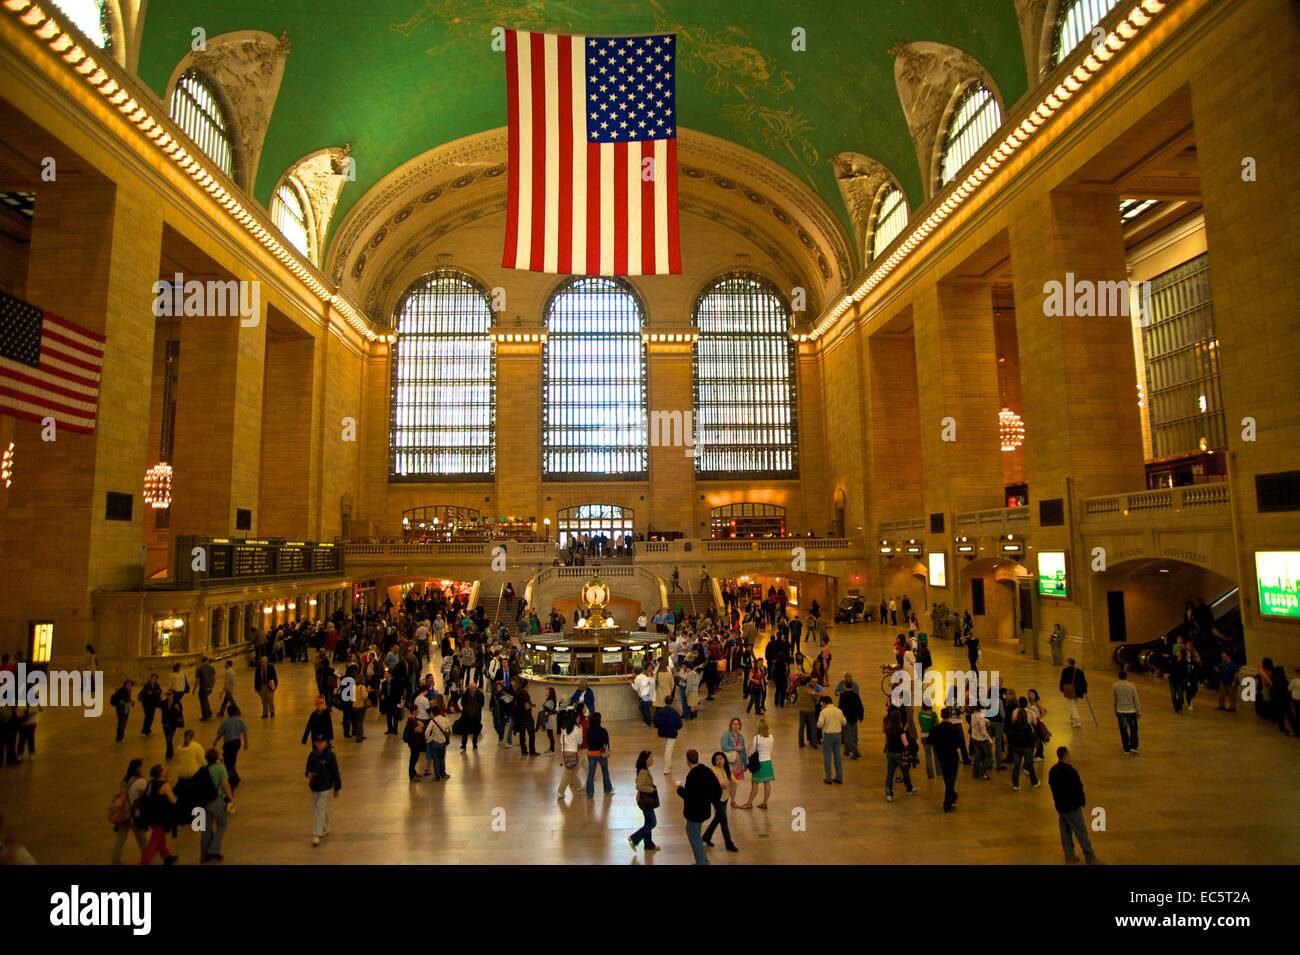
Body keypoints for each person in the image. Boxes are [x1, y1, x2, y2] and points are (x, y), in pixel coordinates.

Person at [1048, 746, 1100, 864]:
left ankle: (1069, 855)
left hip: (1061, 807)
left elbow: (1052, 786)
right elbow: (1078, 788)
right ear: (1065, 755)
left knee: (1065, 832)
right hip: (1072, 807)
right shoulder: (1071, 771)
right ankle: (1090, 857)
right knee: (1081, 832)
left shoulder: (1053, 770)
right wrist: (1081, 801)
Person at [677, 749, 721, 865]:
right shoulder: (707, 771)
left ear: (688, 761)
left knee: (694, 837)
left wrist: (679, 789)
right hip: (704, 810)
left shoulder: (692, 776)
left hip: (694, 813)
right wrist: (713, 801)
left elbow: (688, 795)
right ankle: (704, 860)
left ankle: (701, 862)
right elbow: (717, 788)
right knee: (695, 834)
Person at [199, 748, 235, 863]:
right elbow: (225, 785)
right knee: (222, 825)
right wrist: (231, 799)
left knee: (206, 828)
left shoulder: (204, 770)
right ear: (217, 757)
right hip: (216, 801)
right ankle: (213, 850)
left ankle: (204, 855)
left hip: (204, 802)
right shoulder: (220, 769)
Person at [305, 733, 342, 846]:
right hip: (314, 786)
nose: (320, 744)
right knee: (318, 808)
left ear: (326, 743)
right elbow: (306, 770)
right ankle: (325, 827)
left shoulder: (330, 755)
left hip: (325, 786)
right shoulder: (312, 755)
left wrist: (337, 787)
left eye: (322, 742)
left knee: (319, 809)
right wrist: (309, 774)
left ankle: (317, 833)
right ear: (315, 743)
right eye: (318, 742)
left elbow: (335, 771)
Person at [110, 758, 148, 864]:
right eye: (142, 766)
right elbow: (146, 795)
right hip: (133, 813)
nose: (143, 768)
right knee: (140, 835)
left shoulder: (125, 780)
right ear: (137, 768)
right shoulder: (140, 782)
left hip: (123, 813)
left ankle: (115, 858)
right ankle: (147, 854)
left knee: (121, 838)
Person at [139, 764, 179, 865]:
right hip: (160, 818)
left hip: (151, 817)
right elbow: (173, 801)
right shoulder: (165, 785)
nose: (167, 770)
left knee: (160, 838)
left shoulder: (150, 783)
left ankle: (167, 857)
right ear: (161, 773)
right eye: (164, 769)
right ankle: (144, 862)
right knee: (153, 844)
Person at [702, 751, 739, 852]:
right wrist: (730, 781)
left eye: (721, 759)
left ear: (724, 760)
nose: (719, 761)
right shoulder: (713, 771)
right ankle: (728, 843)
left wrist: (732, 780)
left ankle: (706, 836)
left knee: (718, 818)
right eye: (717, 759)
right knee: (724, 821)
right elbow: (722, 785)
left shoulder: (727, 769)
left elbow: (735, 783)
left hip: (725, 798)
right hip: (717, 799)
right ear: (714, 761)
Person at [929, 707, 964, 812]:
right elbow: (959, 744)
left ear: (941, 716)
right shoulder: (954, 730)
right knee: (950, 781)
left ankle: (951, 796)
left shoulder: (936, 729)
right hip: (952, 758)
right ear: (949, 716)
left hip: (942, 758)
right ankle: (947, 803)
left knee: (947, 780)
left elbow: (931, 741)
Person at [737, 717, 774, 810]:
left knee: (754, 784)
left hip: (759, 763)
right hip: (768, 762)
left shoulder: (757, 738)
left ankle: (749, 803)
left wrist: (749, 749)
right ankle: (765, 802)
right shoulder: (771, 737)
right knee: (767, 783)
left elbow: (753, 752)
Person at [883, 708, 917, 801]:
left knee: (890, 773)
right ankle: (909, 788)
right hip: (899, 754)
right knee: (905, 772)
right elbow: (905, 743)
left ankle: (889, 793)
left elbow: (887, 742)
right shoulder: (900, 730)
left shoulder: (888, 729)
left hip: (890, 753)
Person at [629, 750, 659, 853]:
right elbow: (639, 786)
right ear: (645, 760)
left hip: (646, 800)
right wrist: (651, 789)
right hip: (645, 801)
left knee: (648, 822)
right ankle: (635, 838)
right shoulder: (643, 772)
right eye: (650, 758)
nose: (652, 760)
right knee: (652, 823)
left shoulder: (645, 769)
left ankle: (648, 844)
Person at [1008, 697, 1041, 790]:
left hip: (1015, 747)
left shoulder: (1014, 718)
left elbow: (1011, 733)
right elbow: (1034, 728)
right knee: (1030, 764)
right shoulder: (1029, 721)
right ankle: (1034, 782)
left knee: (1016, 766)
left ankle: (1015, 785)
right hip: (1026, 747)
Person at [213, 705, 248, 789]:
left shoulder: (225, 722)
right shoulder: (239, 721)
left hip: (228, 743)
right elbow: (244, 732)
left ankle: (234, 777)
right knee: (232, 759)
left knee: (228, 760)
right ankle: (233, 775)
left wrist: (215, 742)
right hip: (237, 743)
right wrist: (246, 743)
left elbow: (220, 734)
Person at [817, 693, 847, 785]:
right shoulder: (838, 710)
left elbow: (819, 725)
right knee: (837, 757)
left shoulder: (823, 712)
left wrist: (819, 725)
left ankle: (829, 778)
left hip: (828, 736)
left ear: (824, 703)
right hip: (838, 735)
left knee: (827, 757)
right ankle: (839, 777)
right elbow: (844, 722)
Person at [584, 711, 614, 797]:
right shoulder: (603, 731)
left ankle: (590, 793)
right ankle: (608, 790)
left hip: (591, 754)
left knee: (591, 774)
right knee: (605, 771)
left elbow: (587, 741)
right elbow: (607, 743)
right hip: (601, 754)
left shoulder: (588, 731)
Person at [556, 714, 584, 801]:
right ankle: (560, 791)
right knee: (568, 772)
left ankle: (579, 786)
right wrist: (581, 732)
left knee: (572, 770)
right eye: (578, 717)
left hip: (565, 753)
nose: (579, 719)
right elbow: (580, 742)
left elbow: (561, 741)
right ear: (575, 719)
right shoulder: (577, 729)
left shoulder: (564, 729)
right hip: (573, 752)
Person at [1112, 670, 1141, 755]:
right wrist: (1138, 710)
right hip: (1131, 711)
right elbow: (1136, 698)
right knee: (1134, 730)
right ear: (1126, 676)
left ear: (1118, 676)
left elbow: (1114, 700)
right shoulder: (1131, 685)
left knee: (1123, 730)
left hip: (1121, 711)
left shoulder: (1115, 686)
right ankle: (1134, 747)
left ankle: (1126, 748)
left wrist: (1115, 710)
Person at [653, 694, 683, 776]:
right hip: (672, 733)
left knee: (665, 749)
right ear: (672, 702)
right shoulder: (674, 712)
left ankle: (668, 764)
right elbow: (680, 724)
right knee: (668, 750)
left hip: (662, 733)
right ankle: (666, 768)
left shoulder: (660, 712)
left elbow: (655, 723)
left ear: (664, 702)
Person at [424, 702, 452, 781]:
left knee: (436, 759)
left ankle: (437, 777)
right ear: (440, 711)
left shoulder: (432, 721)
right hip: (442, 742)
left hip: (434, 742)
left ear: (433, 713)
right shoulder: (444, 719)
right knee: (442, 758)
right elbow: (448, 728)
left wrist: (429, 739)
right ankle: (443, 774)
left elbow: (426, 732)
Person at [1059, 658, 1089, 728]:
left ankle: (1077, 721)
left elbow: (1062, 681)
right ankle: (1072, 719)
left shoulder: (1065, 670)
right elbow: (1084, 682)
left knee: (1072, 706)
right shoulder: (1080, 671)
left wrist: (1061, 689)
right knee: (1074, 705)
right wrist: (1085, 691)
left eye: (1066, 662)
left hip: (1070, 690)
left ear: (1069, 663)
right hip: (1079, 691)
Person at [720, 718, 746, 785]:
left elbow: (744, 751)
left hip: (738, 765)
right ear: (731, 725)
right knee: (728, 783)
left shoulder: (741, 737)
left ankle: (732, 796)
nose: (736, 726)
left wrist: (745, 764)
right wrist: (735, 748)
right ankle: (728, 796)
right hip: (729, 763)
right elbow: (724, 747)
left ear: (739, 726)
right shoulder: (726, 735)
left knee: (735, 784)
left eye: (737, 724)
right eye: (734, 724)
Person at [159, 689, 183, 761]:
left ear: (173, 695)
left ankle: (168, 755)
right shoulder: (163, 703)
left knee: (169, 738)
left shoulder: (177, 703)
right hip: (165, 723)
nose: (168, 696)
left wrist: (178, 709)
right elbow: (156, 703)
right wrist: (161, 696)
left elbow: (180, 713)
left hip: (173, 724)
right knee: (168, 740)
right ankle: (170, 753)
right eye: (167, 694)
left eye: (169, 694)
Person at [797, 681, 821, 748]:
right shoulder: (810, 690)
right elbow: (816, 698)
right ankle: (814, 743)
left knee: (801, 726)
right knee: (812, 726)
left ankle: (801, 743)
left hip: (801, 709)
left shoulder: (798, 689)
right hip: (810, 710)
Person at [195, 656, 216, 721]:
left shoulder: (199, 669)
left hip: (203, 688)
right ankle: (209, 712)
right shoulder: (212, 668)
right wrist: (212, 685)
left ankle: (205, 716)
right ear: (207, 661)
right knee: (205, 699)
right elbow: (214, 678)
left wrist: (194, 689)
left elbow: (197, 680)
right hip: (210, 687)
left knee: (203, 702)